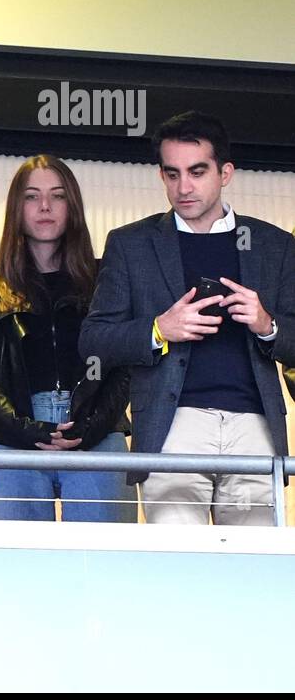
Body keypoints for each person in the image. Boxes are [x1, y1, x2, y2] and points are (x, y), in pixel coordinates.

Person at [80, 111, 295, 525]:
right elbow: (94, 340)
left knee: (253, 569)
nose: (184, 187)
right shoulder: (131, 244)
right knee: (177, 568)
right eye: (172, 173)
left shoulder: (275, 245)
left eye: (197, 171)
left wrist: (267, 325)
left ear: (225, 172)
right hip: (171, 425)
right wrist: (159, 329)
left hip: (255, 428)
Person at [0, 156, 135, 522]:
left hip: (98, 438)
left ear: (71, 206)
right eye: (31, 197)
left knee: (105, 565)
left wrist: (92, 426)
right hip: (13, 443)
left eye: (57, 196)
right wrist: (25, 430)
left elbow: (125, 363)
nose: (44, 207)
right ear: (16, 208)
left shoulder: (106, 277)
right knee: (16, 567)